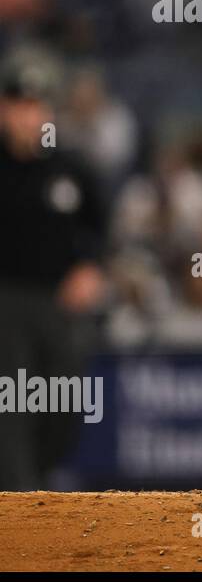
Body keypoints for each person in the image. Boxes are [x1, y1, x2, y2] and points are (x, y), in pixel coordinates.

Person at [0, 50, 107, 489]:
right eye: (23, 105)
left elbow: (98, 227)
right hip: (4, 301)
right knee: (12, 399)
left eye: (40, 105)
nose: (32, 116)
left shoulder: (71, 169)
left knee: (63, 398)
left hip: (57, 303)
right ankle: (16, 494)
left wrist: (90, 267)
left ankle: (37, 482)